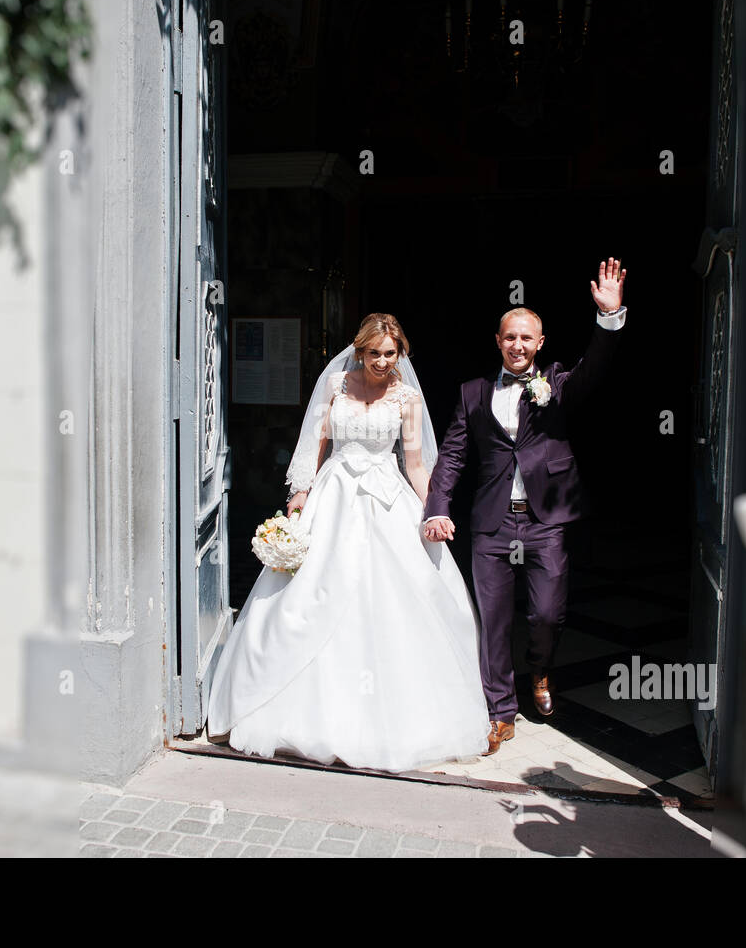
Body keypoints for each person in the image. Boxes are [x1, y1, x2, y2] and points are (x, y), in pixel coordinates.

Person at [207, 313, 489, 772]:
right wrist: (299, 498)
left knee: (396, 599)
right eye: (374, 353)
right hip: (333, 495)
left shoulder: (408, 398)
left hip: (386, 499)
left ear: (401, 353)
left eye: (390, 354)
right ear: (360, 350)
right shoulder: (335, 385)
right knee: (308, 595)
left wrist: (434, 509)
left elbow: (416, 465)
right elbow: (312, 445)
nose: (382, 362)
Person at [423, 259, 628, 755]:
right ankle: (499, 710)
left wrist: (609, 317)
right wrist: (436, 507)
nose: (518, 345)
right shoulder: (472, 393)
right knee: (492, 619)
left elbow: (595, 370)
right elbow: (452, 454)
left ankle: (539, 669)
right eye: (509, 337)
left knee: (545, 614)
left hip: (545, 520)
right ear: (498, 341)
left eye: (527, 339)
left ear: (540, 344)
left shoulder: (555, 384)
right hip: (492, 522)